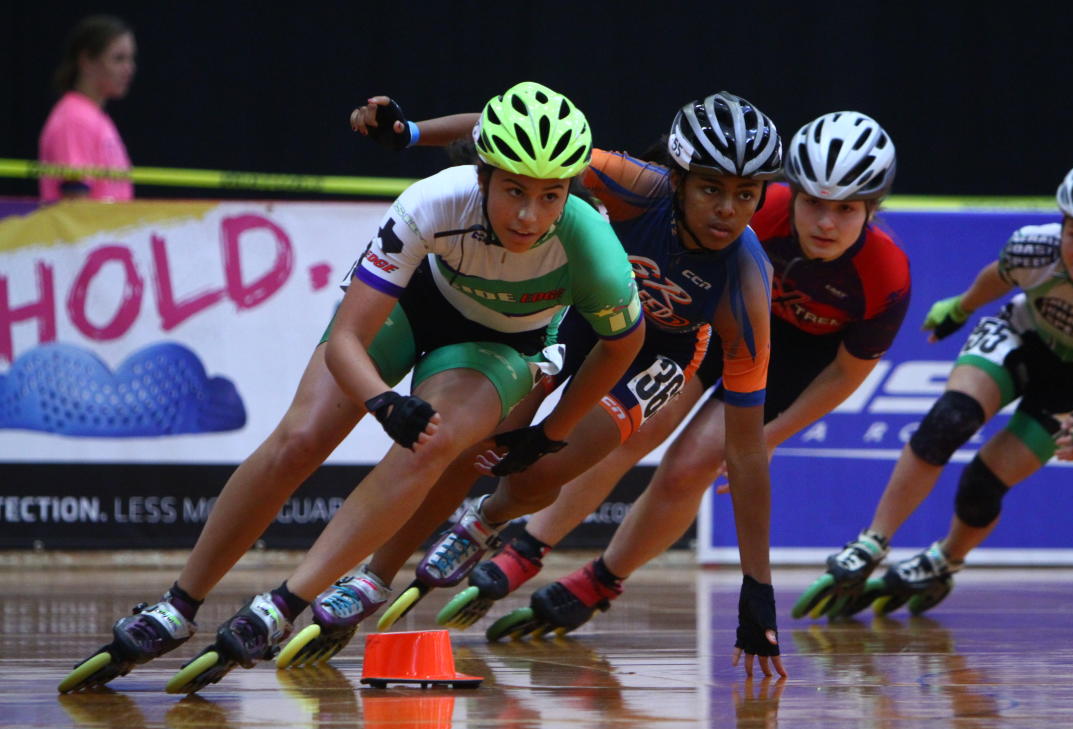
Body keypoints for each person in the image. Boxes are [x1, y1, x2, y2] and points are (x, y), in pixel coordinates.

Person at [58, 81, 644, 693]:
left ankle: (283, 604)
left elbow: (621, 345)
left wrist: (552, 433)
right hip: (420, 304)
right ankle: (178, 604)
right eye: (514, 191)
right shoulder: (431, 202)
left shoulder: (592, 246)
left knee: (432, 442)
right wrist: (380, 399)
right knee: (301, 437)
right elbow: (347, 342)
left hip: (501, 345)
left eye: (550, 196)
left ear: (570, 192)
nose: (529, 215)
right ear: (482, 175)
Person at [281, 90, 787, 678]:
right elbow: (514, 136)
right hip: (586, 308)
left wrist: (758, 585)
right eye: (710, 189)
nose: (728, 209)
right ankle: (376, 574)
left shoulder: (748, 285)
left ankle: (488, 521)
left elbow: (745, 449)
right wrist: (416, 133)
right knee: (479, 440)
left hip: (660, 348)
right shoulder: (635, 184)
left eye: (745, 195)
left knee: (543, 471)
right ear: (676, 180)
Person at [461, 111, 909, 672]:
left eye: (845, 208)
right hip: (708, 327)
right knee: (626, 429)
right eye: (813, 202)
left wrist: (770, 437)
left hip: (793, 361)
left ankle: (601, 579)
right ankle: (529, 545)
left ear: (872, 209)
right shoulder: (750, 210)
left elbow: (845, 376)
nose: (824, 221)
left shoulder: (886, 275)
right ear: (788, 191)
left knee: (691, 464)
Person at [794, 157, 1073, 620]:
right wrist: (960, 307)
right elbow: (998, 277)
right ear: (1062, 223)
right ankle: (871, 542)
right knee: (947, 422)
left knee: (983, 484)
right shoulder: (1032, 248)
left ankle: (944, 561)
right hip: (1023, 337)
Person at [39, 15, 136, 201]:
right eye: (119, 59)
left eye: (131, 59)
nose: (129, 68)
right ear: (86, 61)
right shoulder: (74, 118)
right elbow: (75, 203)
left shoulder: (96, 117)